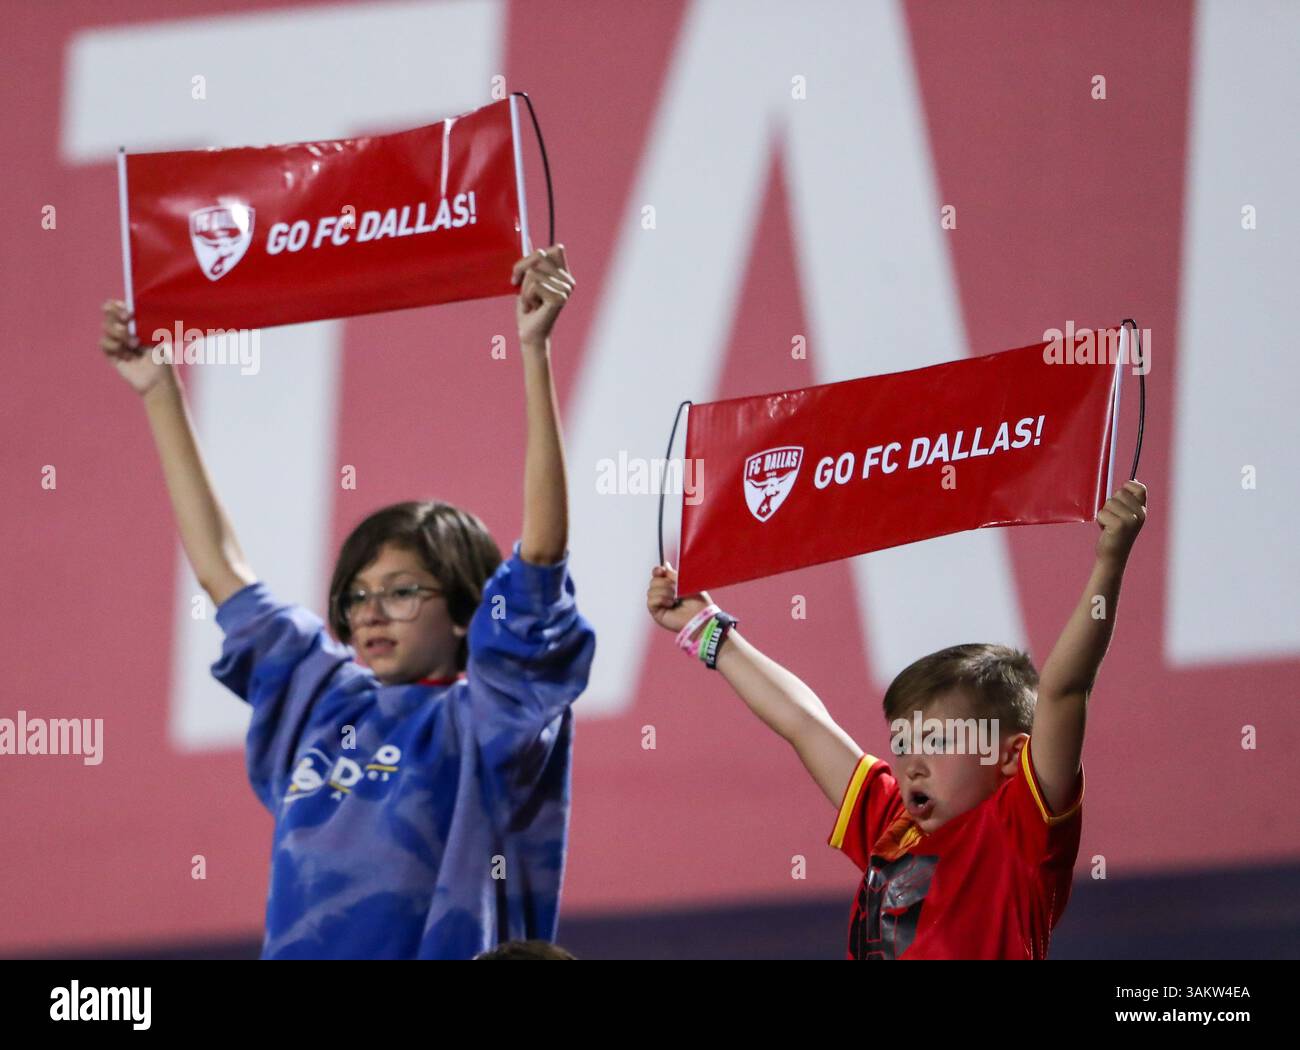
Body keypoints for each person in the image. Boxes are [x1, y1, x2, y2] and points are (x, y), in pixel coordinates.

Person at [100, 245, 595, 959]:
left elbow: (541, 558)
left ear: (464, 608)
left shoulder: (488, 717)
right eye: (357, 596)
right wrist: (159, 392)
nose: (368, 613)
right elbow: (224, 575)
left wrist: (533, 350)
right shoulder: (320, 701)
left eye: (400, 593)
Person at [646, 480, 1148, 959]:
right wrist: (707, 629)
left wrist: (1110, 561)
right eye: (904, 742)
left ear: (1012, 755)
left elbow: (1064, 689)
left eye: (936, 740)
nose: (912, 763)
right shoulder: (891, 823)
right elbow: (802, 722)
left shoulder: (1021, 832)